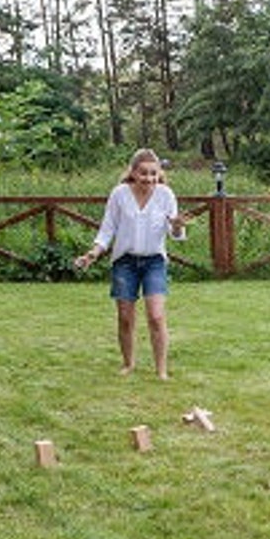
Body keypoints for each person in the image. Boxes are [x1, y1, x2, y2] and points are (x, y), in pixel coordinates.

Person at [75, 148, 185, 380]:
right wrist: (92, 254)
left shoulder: (166, 195)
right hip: (124, 262)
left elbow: (175, 233)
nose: (149, 179)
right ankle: (128, 364)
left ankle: (161, 371)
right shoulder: (119, 194)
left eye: (153, 174)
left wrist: (176, 225)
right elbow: (107, 230)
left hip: (154, 261)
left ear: (159, 174)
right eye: (143, 173)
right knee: (125, 317)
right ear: (133, 172)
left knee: (156, 316)